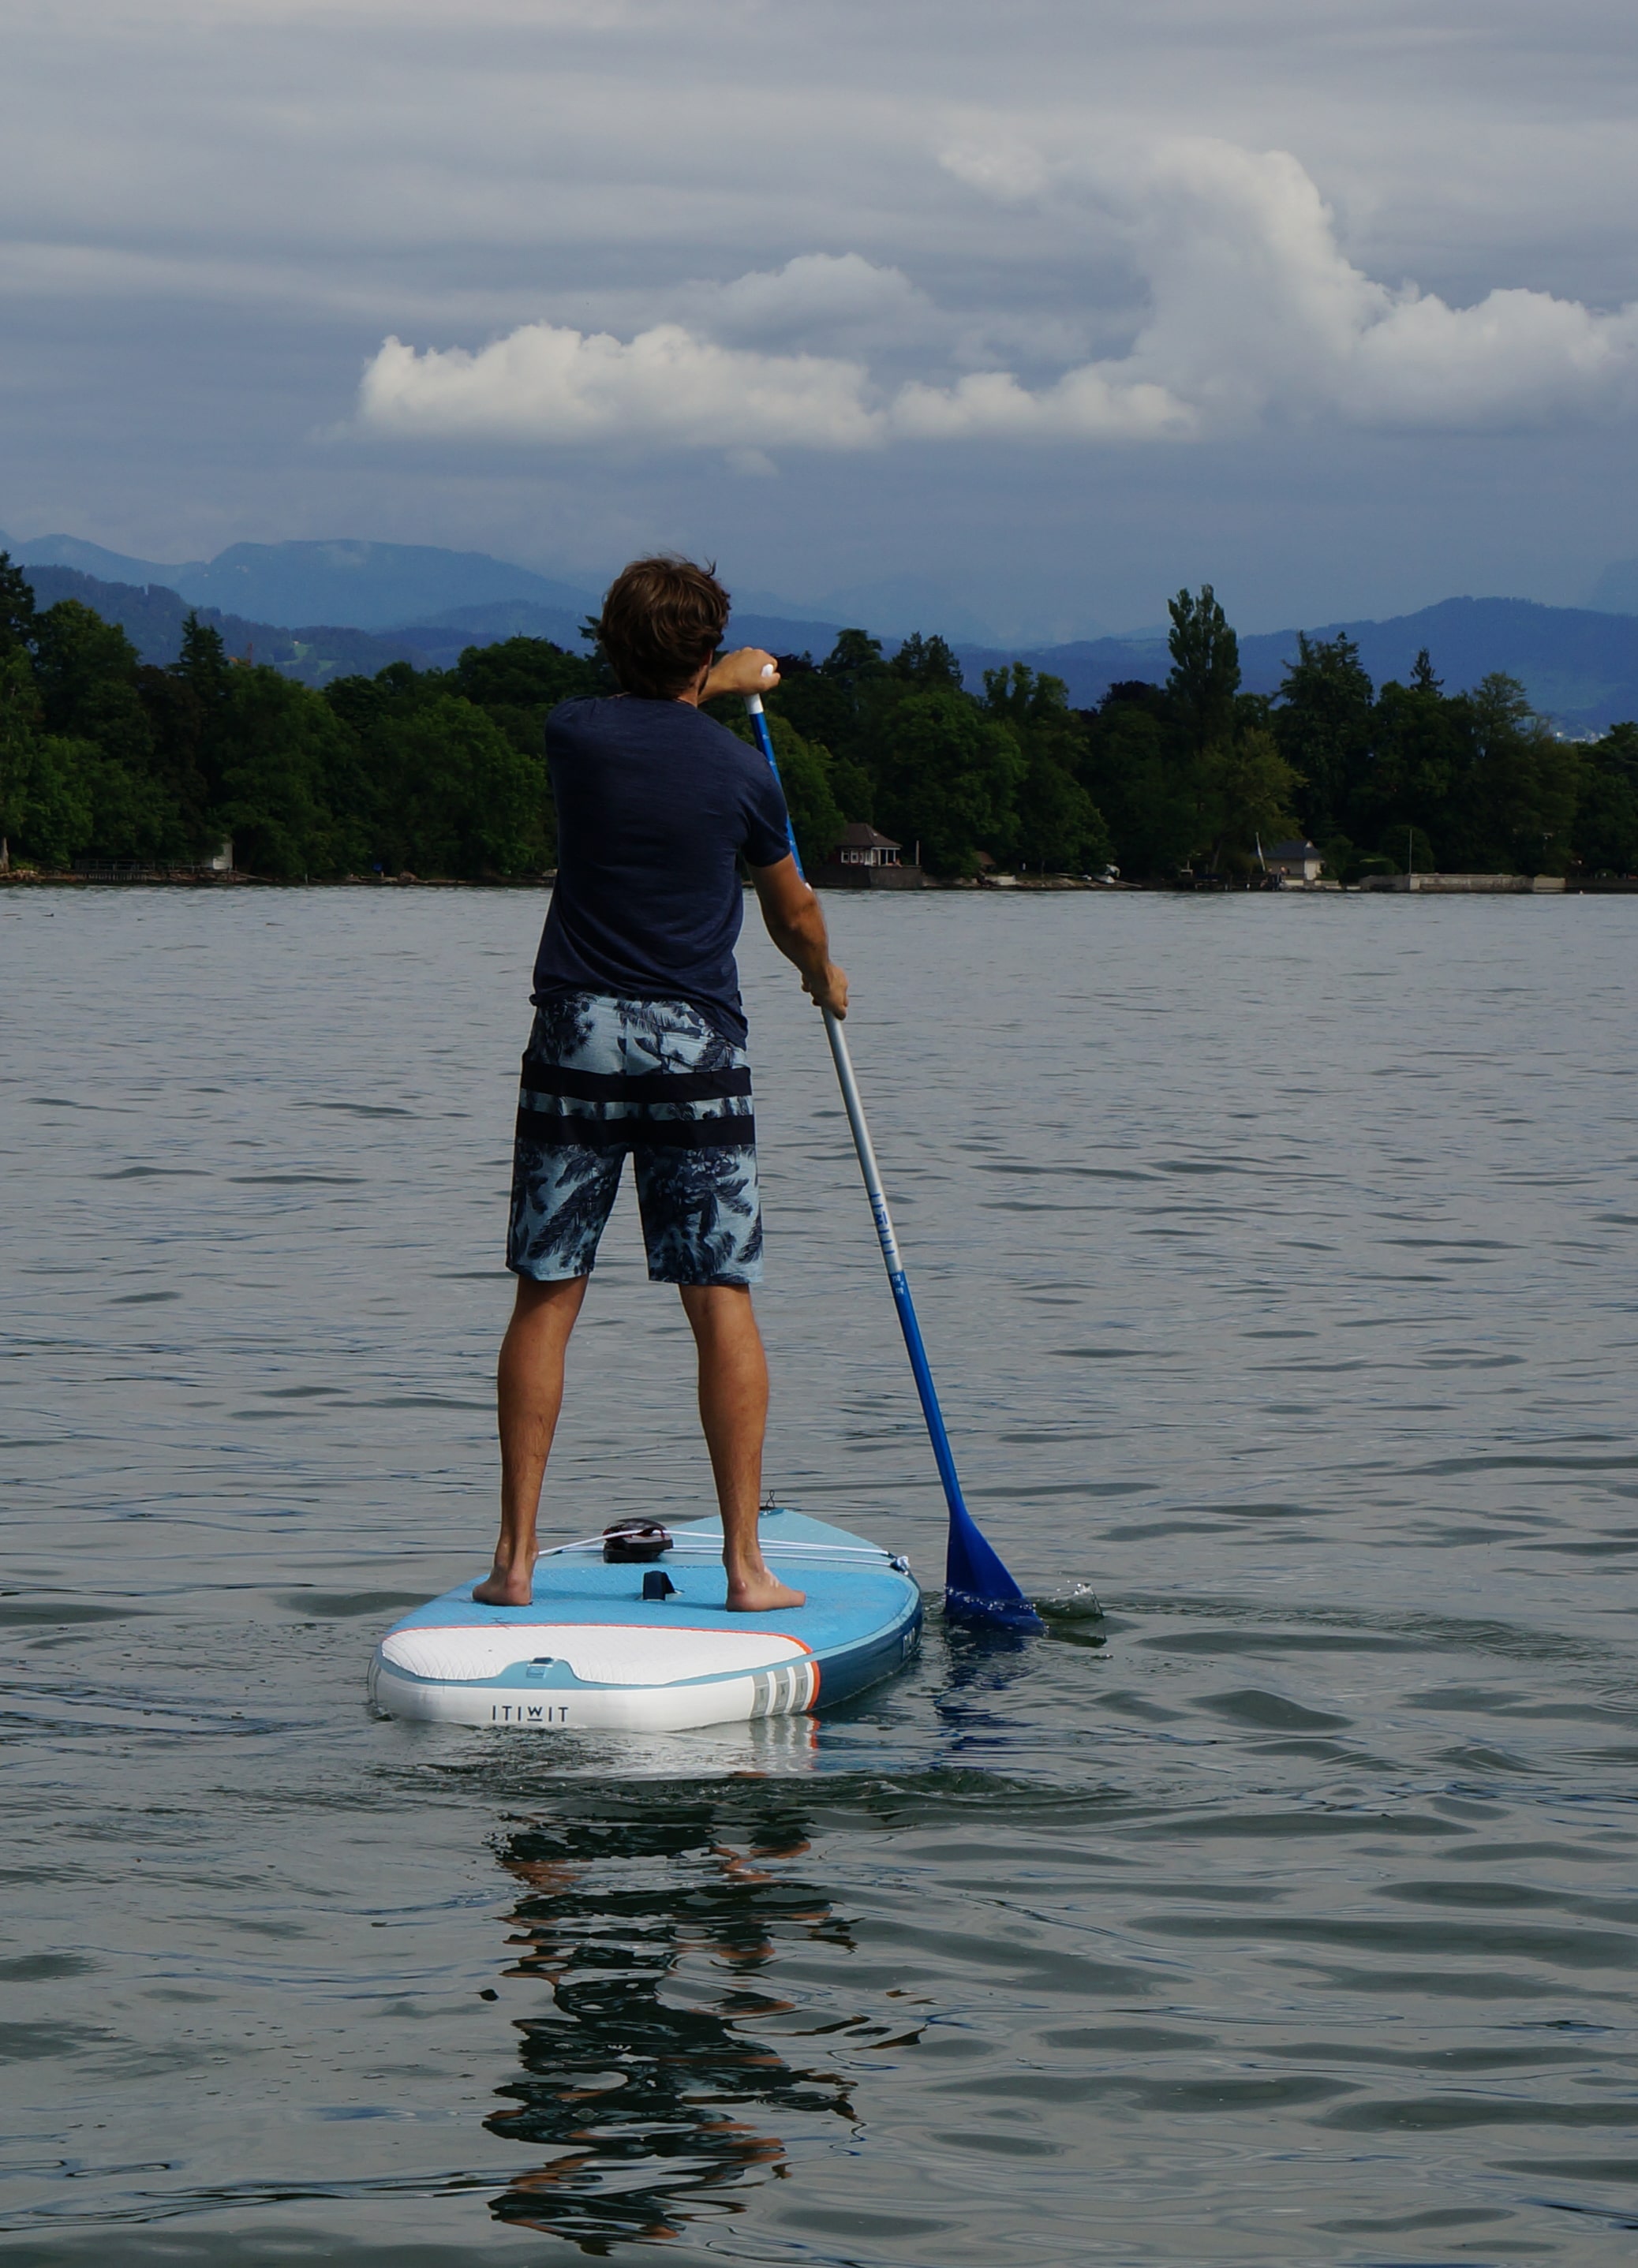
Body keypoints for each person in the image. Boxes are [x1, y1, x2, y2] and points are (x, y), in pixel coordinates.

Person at [474, 556, 848, 1613]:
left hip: (578, 1039)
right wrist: (821, 972)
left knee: (547, 1292)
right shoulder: (745, 778)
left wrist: (709, 682)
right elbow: (794, 912)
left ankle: (513, 1562)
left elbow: (638, 702)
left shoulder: (572, 734)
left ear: (608, 643)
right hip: (694, 1048)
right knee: (717, 1297)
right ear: (706, 648)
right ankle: (744, 1568)